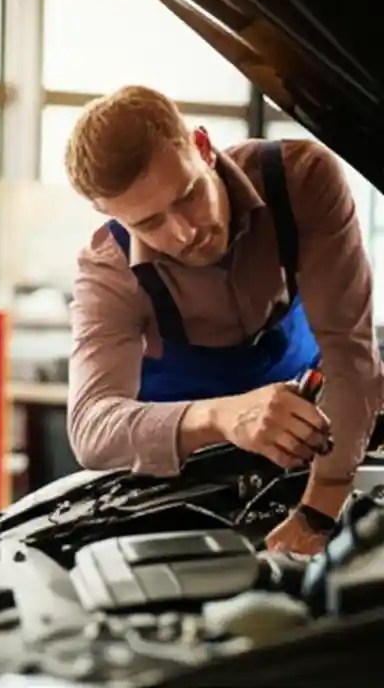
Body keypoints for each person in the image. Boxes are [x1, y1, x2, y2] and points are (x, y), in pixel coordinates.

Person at [63, 85, 383, 555]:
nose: (185, 232)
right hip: (183, 486)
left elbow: (349, 356)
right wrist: (221, 415)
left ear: (202, 147)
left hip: (319, 440)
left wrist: (318, 513)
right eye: (149, 224)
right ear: (107, 212)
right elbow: (92, 427)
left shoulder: (301, 181)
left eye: (189, 195)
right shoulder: (108, 268)